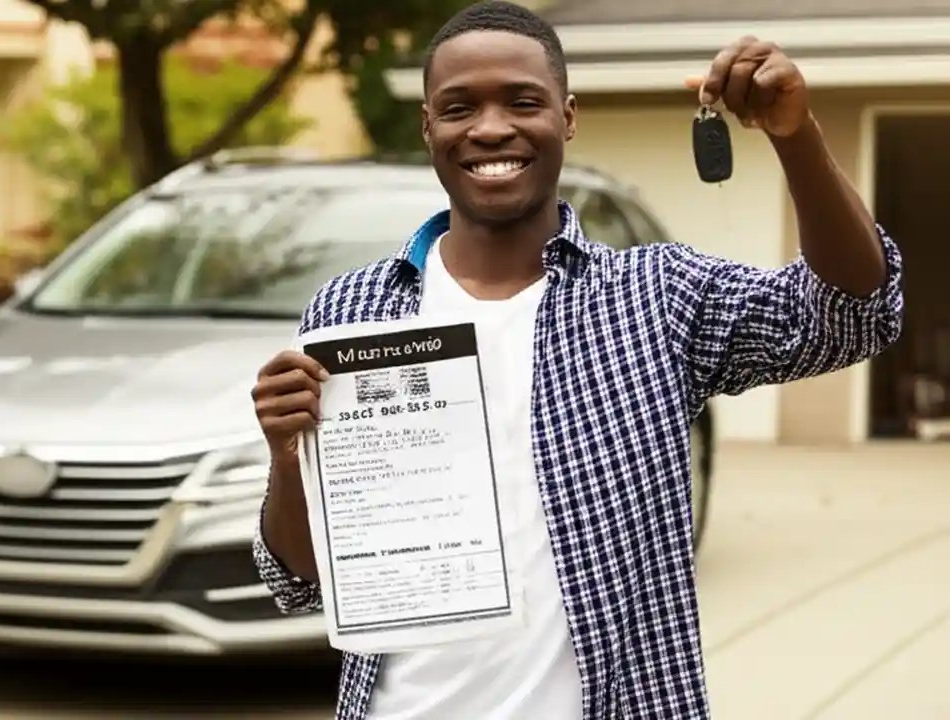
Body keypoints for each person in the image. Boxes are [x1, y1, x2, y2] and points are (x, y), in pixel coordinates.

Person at [249, 3, 904, 719]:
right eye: (460, 106)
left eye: (522, 102)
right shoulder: (352, 313)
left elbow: (850, 317)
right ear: (427, 127)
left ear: (567, 117)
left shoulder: (654, 296)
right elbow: (301, 581)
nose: (491, 127)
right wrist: (290, 458)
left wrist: (795, 137)